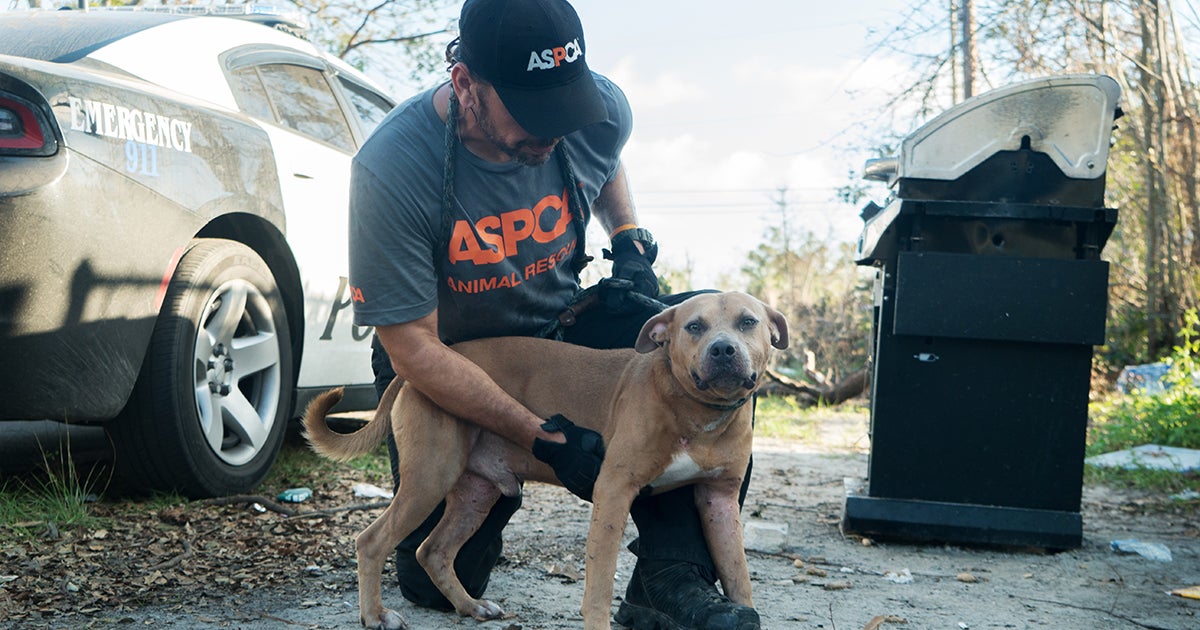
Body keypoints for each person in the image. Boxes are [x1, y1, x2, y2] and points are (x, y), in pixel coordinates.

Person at [347, 1, 759, 628]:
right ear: (466, 86)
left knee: (696, 334)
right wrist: (541, 437)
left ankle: (669, 579)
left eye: (565, 109)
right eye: (535, 114)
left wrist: (628, 240)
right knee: (431, 580)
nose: (554, 131)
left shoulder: (596, 110)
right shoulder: (393, 168)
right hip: (450, 353)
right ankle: (457, 536)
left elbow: (604, 152)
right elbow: (415, 351)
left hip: (560, 322)